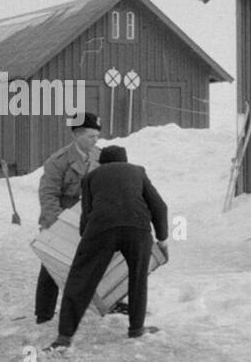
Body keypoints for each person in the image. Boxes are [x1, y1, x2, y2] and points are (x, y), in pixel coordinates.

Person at [47, 145, 168, 349]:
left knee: (79, 280)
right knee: (138, 279)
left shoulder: (91, 178)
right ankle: (136, 329)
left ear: (101, 163)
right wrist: (162, 240)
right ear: (125, 161)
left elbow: (86, 217)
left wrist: (89, 245)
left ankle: (64, 338)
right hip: (137, 229)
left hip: (102, 228)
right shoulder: (138, 172)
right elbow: (159, 206)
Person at [35, 112, 101, 323]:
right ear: (77, 134)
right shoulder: (58, 161)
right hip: (62, 219)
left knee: (95, 264)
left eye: (97, 136)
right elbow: (48, 194)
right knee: (52, 265)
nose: (95, 140)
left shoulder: (100, 156)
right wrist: (57, 226)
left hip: (89, 220)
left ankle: (102, 304)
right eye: (91, 136)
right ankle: (44, 313)